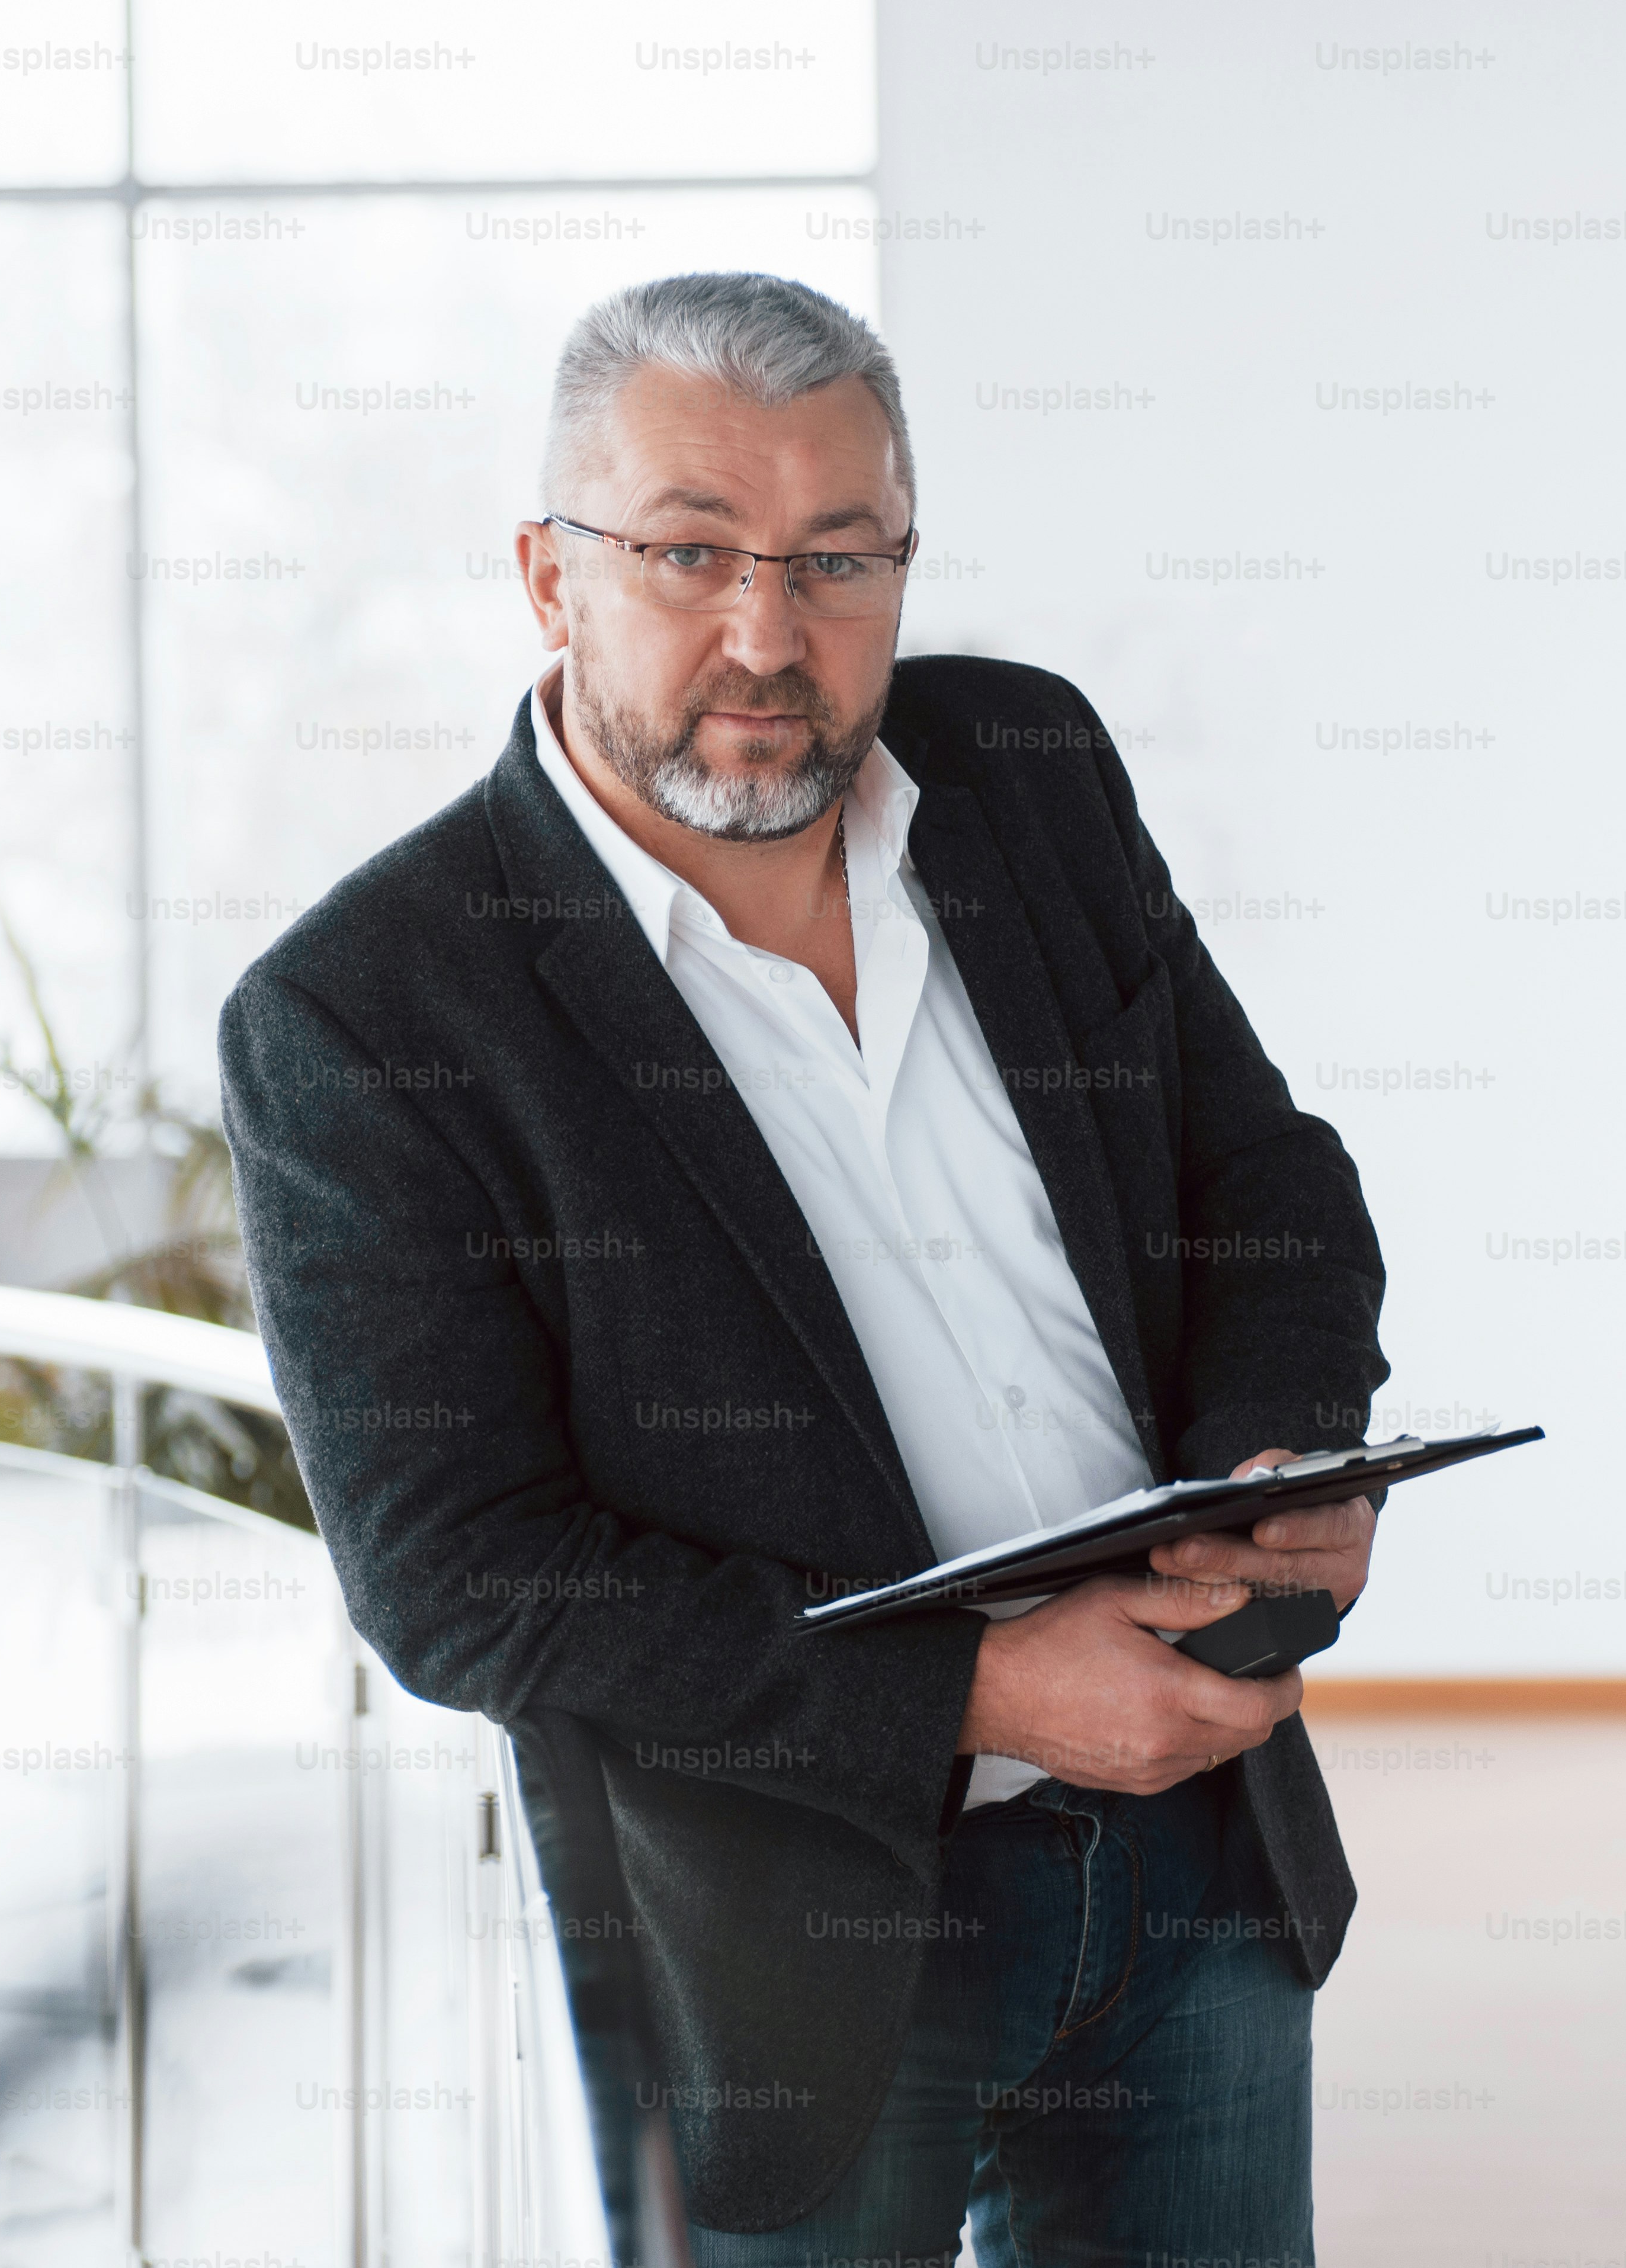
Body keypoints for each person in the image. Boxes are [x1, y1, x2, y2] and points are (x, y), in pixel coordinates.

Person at [220, 271, 1388, 2267]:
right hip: (794, 1950)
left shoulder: (1026, 769)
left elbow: (1260, 1179)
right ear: (549, 574)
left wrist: (1285, 1460)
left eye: (838, 560)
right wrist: (976, 1689)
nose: (769, 635)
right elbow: (458, 1575)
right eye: (689, 553)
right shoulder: (368, 1011)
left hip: (1197, 1850)